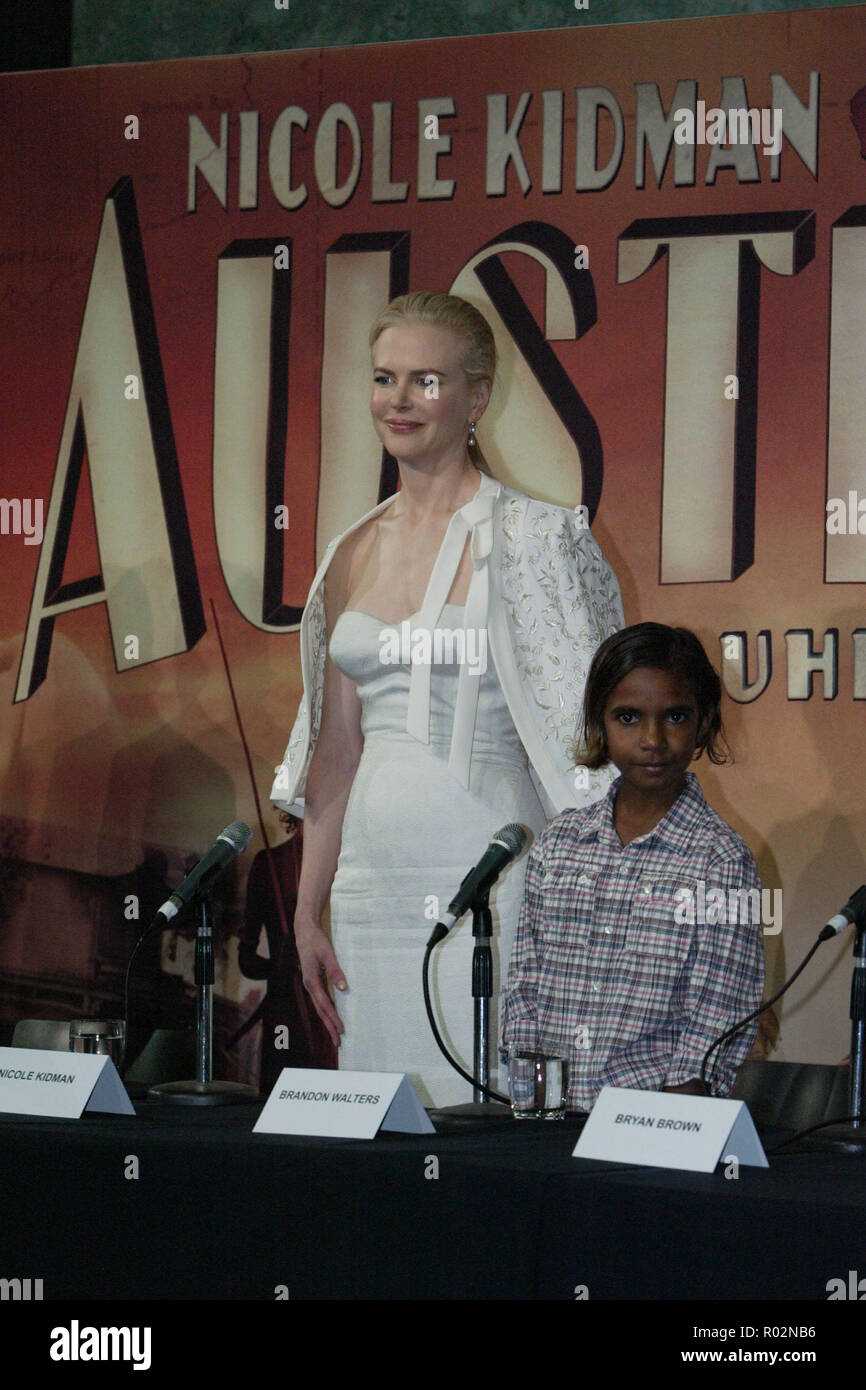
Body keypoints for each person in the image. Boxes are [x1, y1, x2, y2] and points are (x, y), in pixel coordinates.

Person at [271, 292, 624, 1107]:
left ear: (477, 397)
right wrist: (307, 910)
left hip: (491, 887)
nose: (398, 400)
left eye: (425, 381)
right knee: (381, 1139)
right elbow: (334, 754)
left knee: (484, 1129)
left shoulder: (538, 538)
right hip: (368, 891)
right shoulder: (349, 550)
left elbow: (596, 746)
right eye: (385, 378)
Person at [501, 623, 765, 1111]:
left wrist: (664, 1130)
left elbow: (718, 1016)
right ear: (599, 724)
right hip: (547, 1121)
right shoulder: (558, 844)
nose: (652, 739)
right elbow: (525, 982)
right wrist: (532, 1107)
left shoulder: (720, 861)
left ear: (704, 724)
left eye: (675, 717)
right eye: (628, 717)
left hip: (652, 1130)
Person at [237, 812, 336, 1092]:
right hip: (287, 1006)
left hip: (342, 999)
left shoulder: (350, 864)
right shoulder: (271, 864)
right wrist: (282, 969)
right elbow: (247, 960)